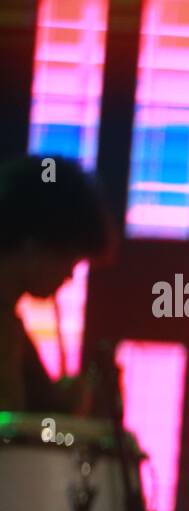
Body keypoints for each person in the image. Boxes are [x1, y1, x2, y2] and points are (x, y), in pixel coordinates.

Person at [0, 154, 115, 413]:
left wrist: (63, 401)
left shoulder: (11, 325)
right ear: (34, 243)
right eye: (70, 258)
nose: (70, 275)